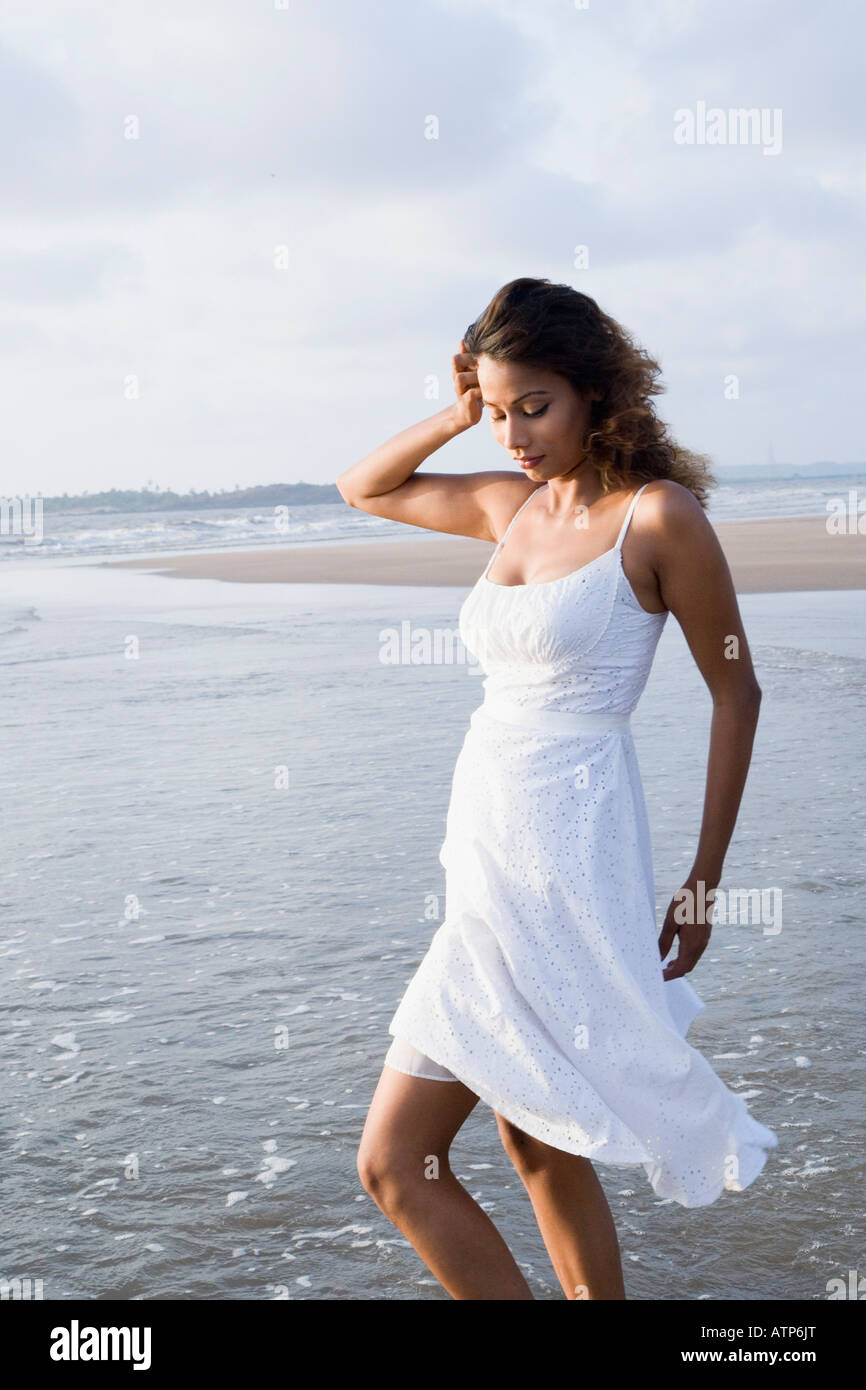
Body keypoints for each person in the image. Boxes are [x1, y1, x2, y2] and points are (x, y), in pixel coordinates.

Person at [336, 277, 778, 1300]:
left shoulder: (657, 518)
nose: (512, 434)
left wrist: (703, 878)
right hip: (483, 854)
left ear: (595, 392)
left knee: (397, 1161)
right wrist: (454, 413)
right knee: (533, 1140)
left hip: (574, 859)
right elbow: (362, 486)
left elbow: (735, 690)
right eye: (496, 410)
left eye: (531, 405)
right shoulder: (512, 506)